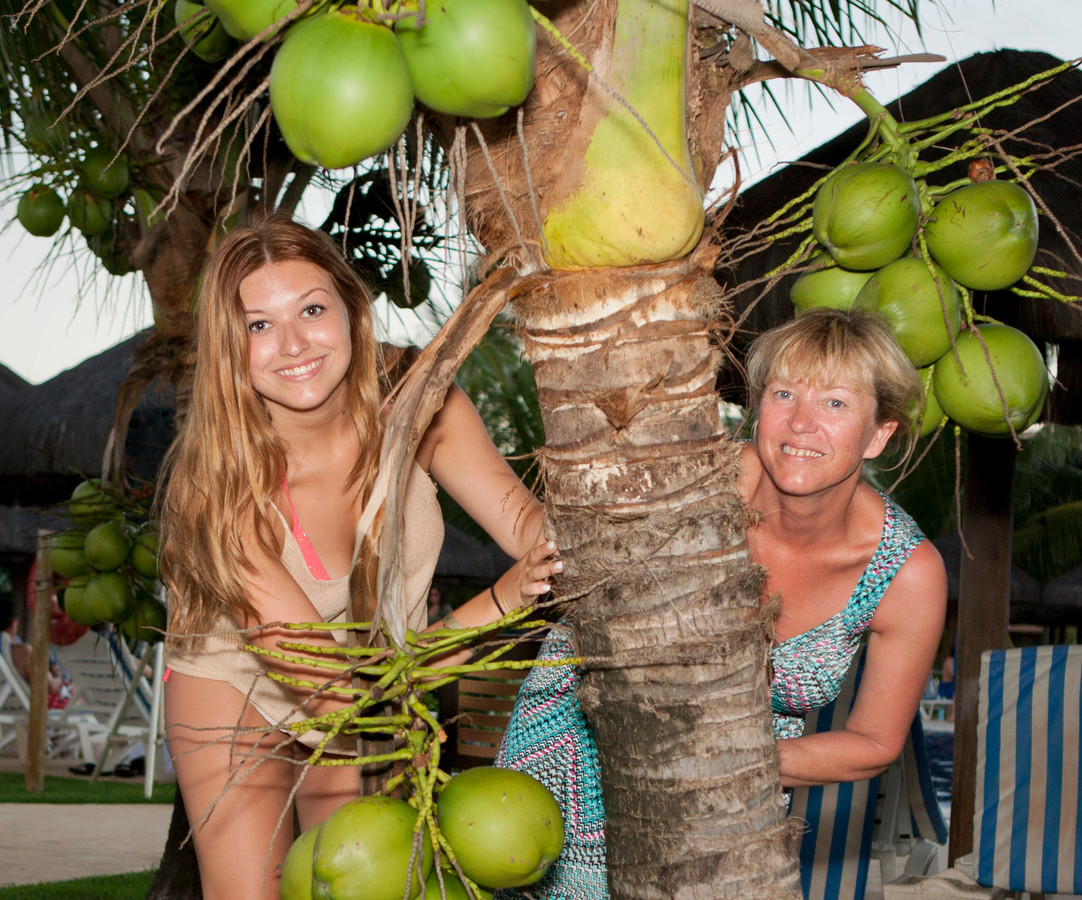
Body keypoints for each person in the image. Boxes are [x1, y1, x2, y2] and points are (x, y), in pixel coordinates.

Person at [158, 215, 559, 900]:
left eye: (312, 309)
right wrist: (502, 600)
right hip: (235, 685)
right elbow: (337, 691)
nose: (292, 344)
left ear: (351, 307)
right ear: (231, 347)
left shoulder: (419, 400)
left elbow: (533, 530)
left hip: (377, 670)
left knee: (362, 886)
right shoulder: (212, 486)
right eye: (259, 325)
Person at [494, 308, 947, 898]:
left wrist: (730, 758)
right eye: (784, 393)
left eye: (836, 403)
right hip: (573, 737)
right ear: (758, 406)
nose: (802, 423)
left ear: (879, 433)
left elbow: (873, 744)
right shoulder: (706, 480)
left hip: (726, 799)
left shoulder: (906, 573)